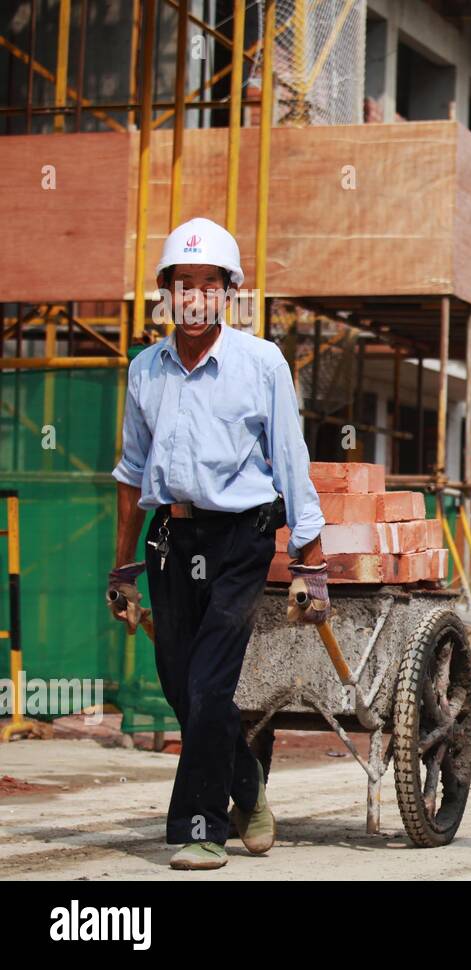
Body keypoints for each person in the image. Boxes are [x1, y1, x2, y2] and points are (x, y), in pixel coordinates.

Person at [107, 218, 328, 871]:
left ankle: (201, 827)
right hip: (171, 539)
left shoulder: (260, 363)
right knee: (181, 685)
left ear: (229, 293)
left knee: (207, 682)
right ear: (168, 294)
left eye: (210, 283)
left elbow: (291, 462)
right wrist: (123, 568)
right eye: (185, 284)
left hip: (241, 536)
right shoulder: (146, 370)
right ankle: (248, 786)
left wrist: (308, 564)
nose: (197, 296)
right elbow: (128, 475)